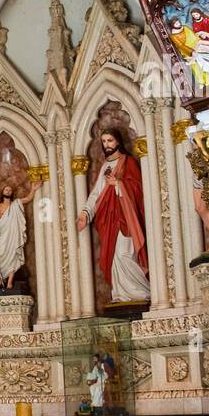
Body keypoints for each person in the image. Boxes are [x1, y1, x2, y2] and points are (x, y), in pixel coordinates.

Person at [77, 128, 150, 303]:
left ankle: (141, 292)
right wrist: (86, 213)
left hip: (126, 217)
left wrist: (118, 184)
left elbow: (139, 189)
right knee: (114, 257)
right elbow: (96, 194)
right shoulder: (104, 167)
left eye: (110, 140)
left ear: (117, 141)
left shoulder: (128, 162)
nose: (107, 145)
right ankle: (121, 295)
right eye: (104, 141)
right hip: (109, 220)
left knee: (124, 254)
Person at [0, 178, 43, 290]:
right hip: (4, 236)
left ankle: (9, 282)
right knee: (3, 256)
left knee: (13, 256)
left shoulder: (16, 203)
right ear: (2, 192)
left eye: (9, 190)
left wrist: (33, 189)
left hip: (14, 236)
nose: (8, 191)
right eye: (6, 190)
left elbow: (28, 198)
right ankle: (2, 278)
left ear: (12, 193)